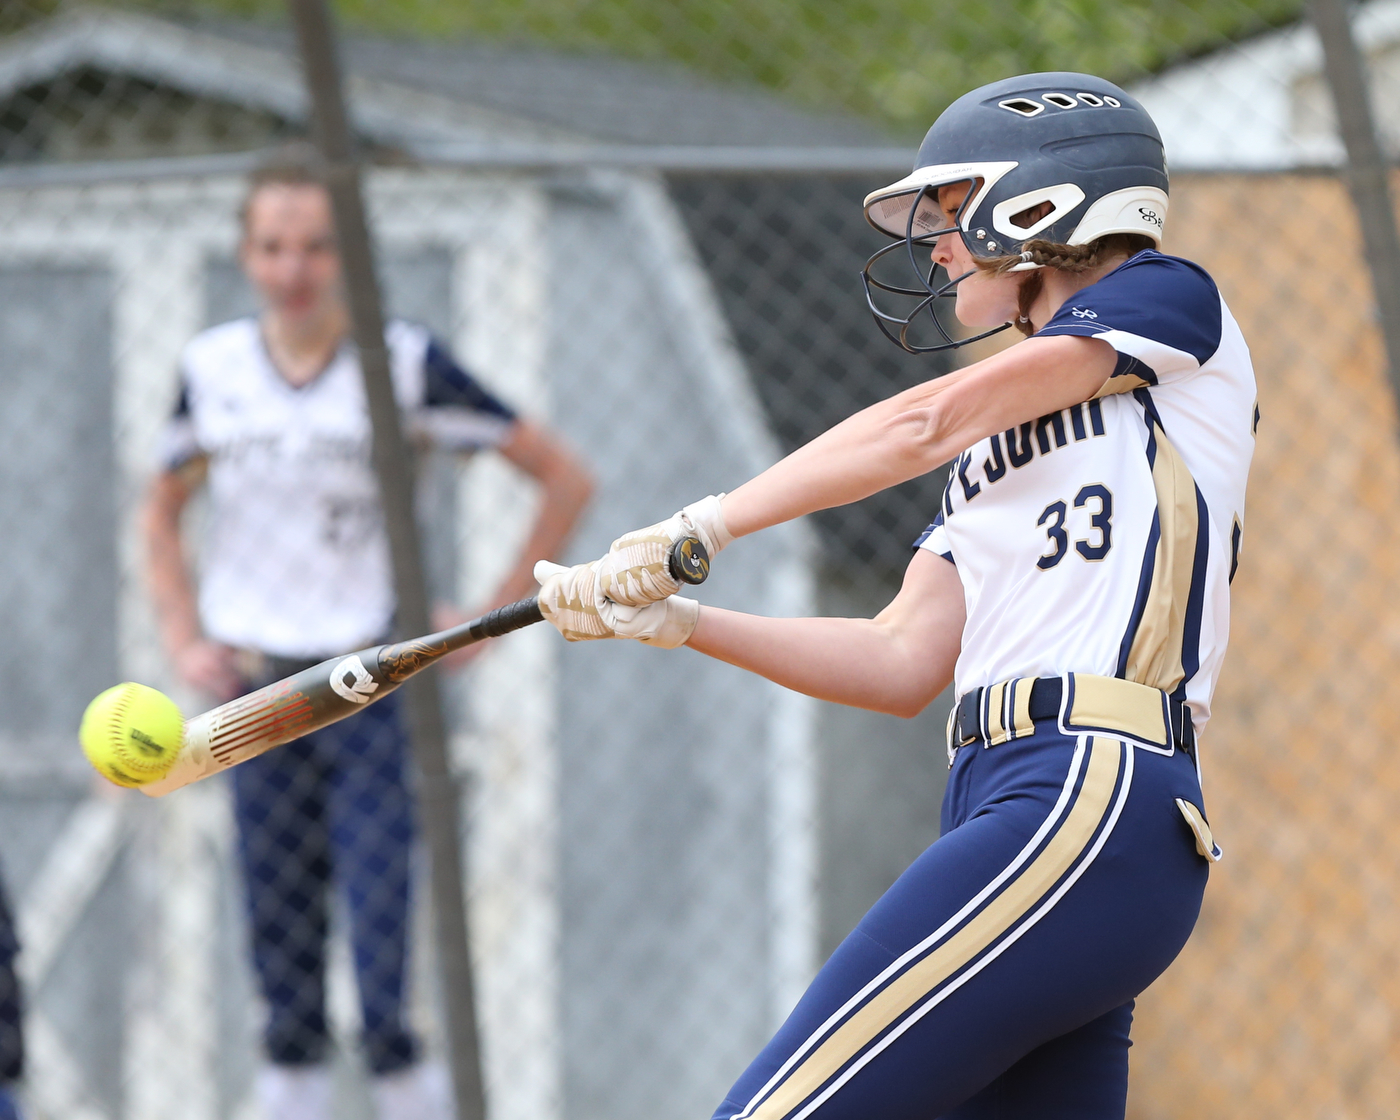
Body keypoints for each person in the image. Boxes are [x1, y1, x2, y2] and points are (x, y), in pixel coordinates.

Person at [532, 72, 1254, 1119]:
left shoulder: (1164, 301)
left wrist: (703, 524)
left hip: (1086, 793)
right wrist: (681, 620)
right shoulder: (994, 451)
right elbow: (898, 657)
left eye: (956, 213)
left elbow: (921, 422)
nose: (938, 245)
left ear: (1044, 208)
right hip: (1012, 799)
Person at [143, 148, 592, 1120]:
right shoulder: (212, 368)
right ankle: (291, 1087)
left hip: (367, 681)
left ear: (344, 255)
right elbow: (159, 508)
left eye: (314, 246)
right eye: (271, 246)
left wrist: (486, 619)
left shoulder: (402, 363)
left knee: (384, 959)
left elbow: (562, 475)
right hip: (254, 689)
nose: (292, 269)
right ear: (245, 253)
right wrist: (184, 633)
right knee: (280, 957)